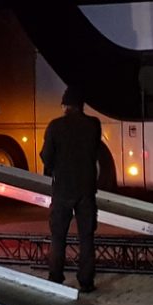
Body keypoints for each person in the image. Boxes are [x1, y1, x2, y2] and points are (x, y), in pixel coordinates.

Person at [40, 84, 102, 293]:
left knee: (58, 236)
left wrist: (55, 164)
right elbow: (95, 152)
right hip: (86, 189)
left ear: (65, 105)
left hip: (62, 190)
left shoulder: (55, 126)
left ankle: (56, 277)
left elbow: (46, 157)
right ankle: (86, 281)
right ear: (81, 105)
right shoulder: (93, 125)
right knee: (86, 237)